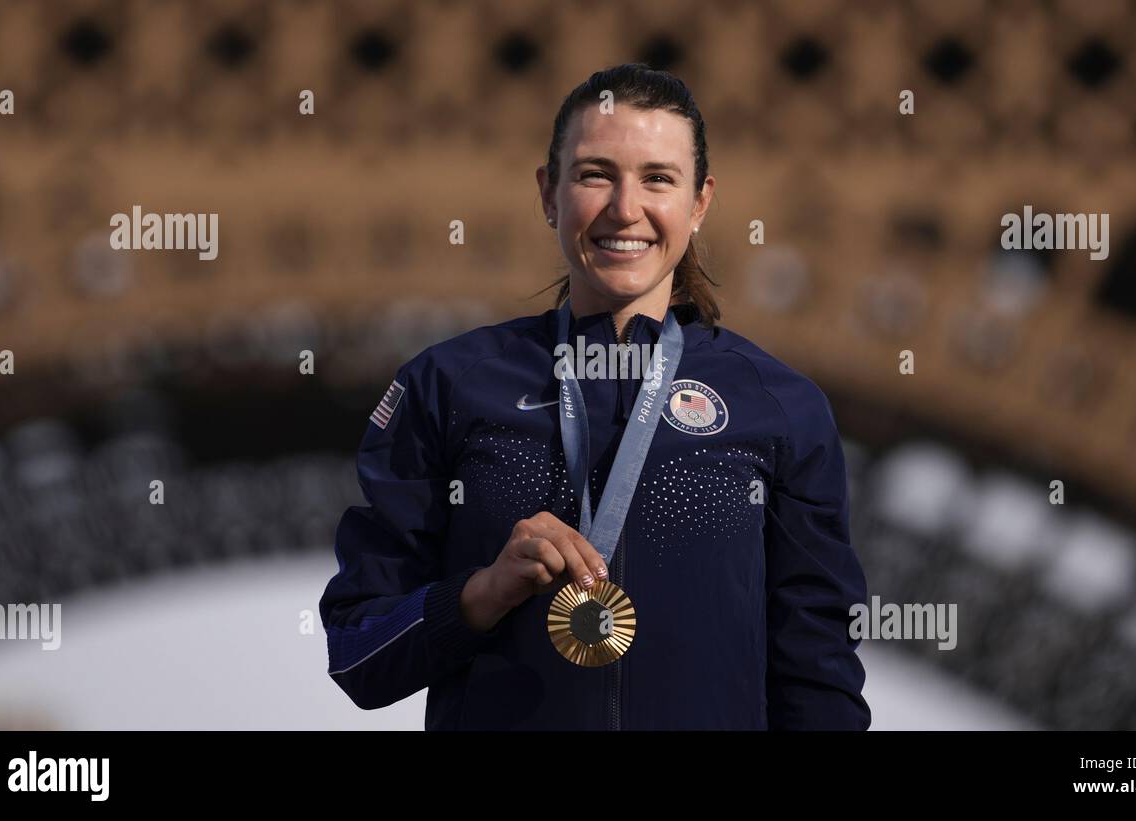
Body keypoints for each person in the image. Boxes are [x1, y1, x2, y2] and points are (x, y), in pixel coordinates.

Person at [319, 63, 870, 730]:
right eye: (595, 174)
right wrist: (483, 592)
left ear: (700, 202)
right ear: (548, 193)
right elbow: (356, 655)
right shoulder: (446, 386)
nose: (624, 208)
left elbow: (819, 686)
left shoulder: (782, 406)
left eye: (658, 178)